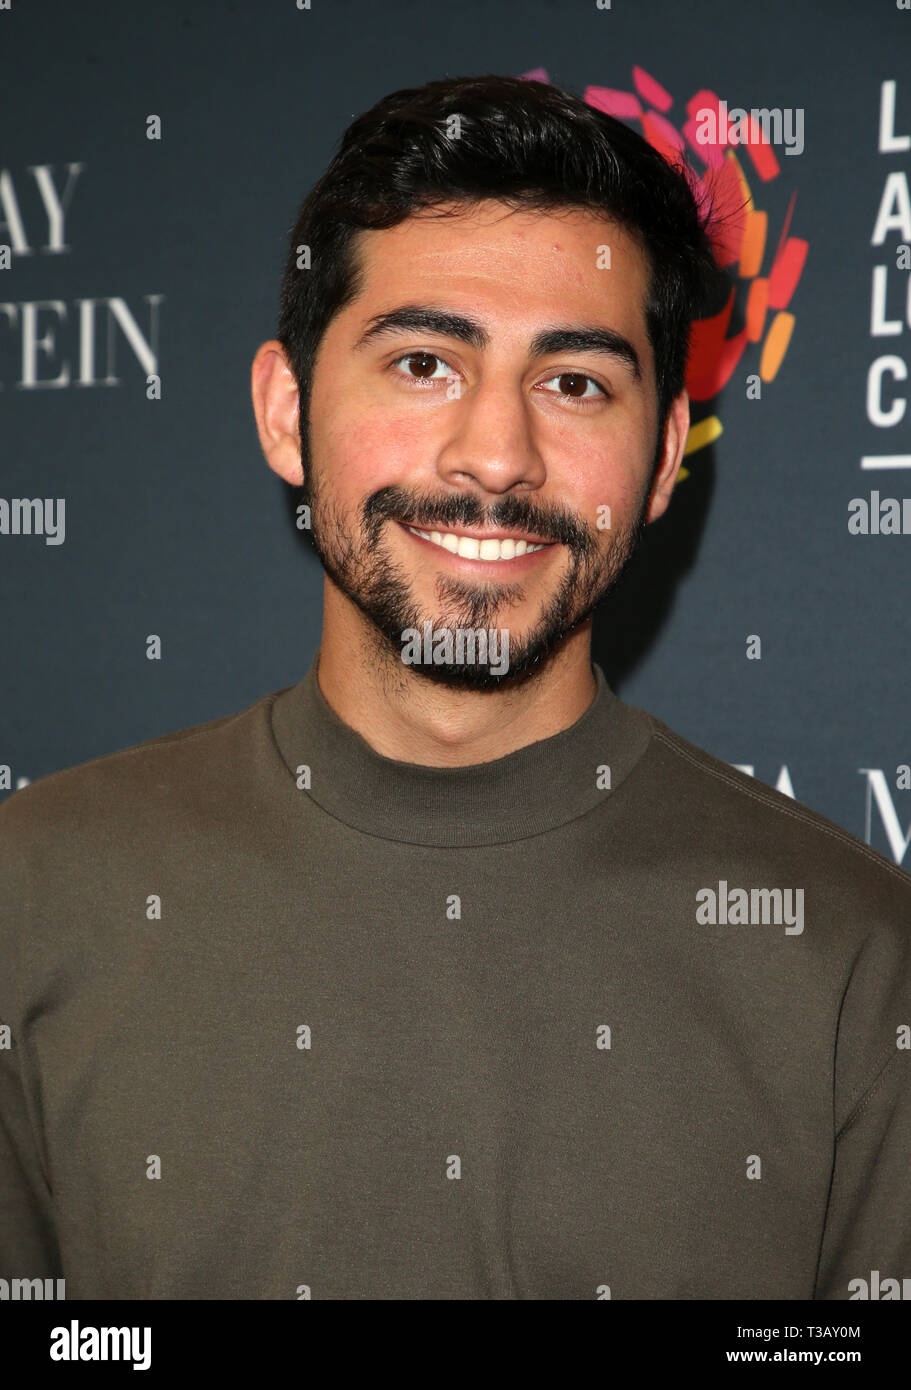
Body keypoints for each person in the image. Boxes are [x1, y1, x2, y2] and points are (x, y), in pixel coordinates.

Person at [1, 74, 908, 1301]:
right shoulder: (34, 892)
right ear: (285, 412)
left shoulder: (850, 950)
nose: (495, 453)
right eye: (424, 362)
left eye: (575, 382)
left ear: (658, 459)